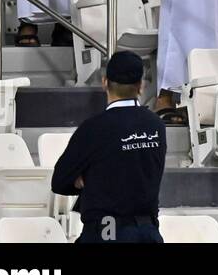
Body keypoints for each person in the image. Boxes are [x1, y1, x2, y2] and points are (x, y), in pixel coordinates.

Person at [52, 51, 167, 243]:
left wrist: (90, 179)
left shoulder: (94, 128)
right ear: (140, 86)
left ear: (105, 82)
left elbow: (59, 181)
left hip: (107, 231)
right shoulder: (156, 125)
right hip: (148, 233)